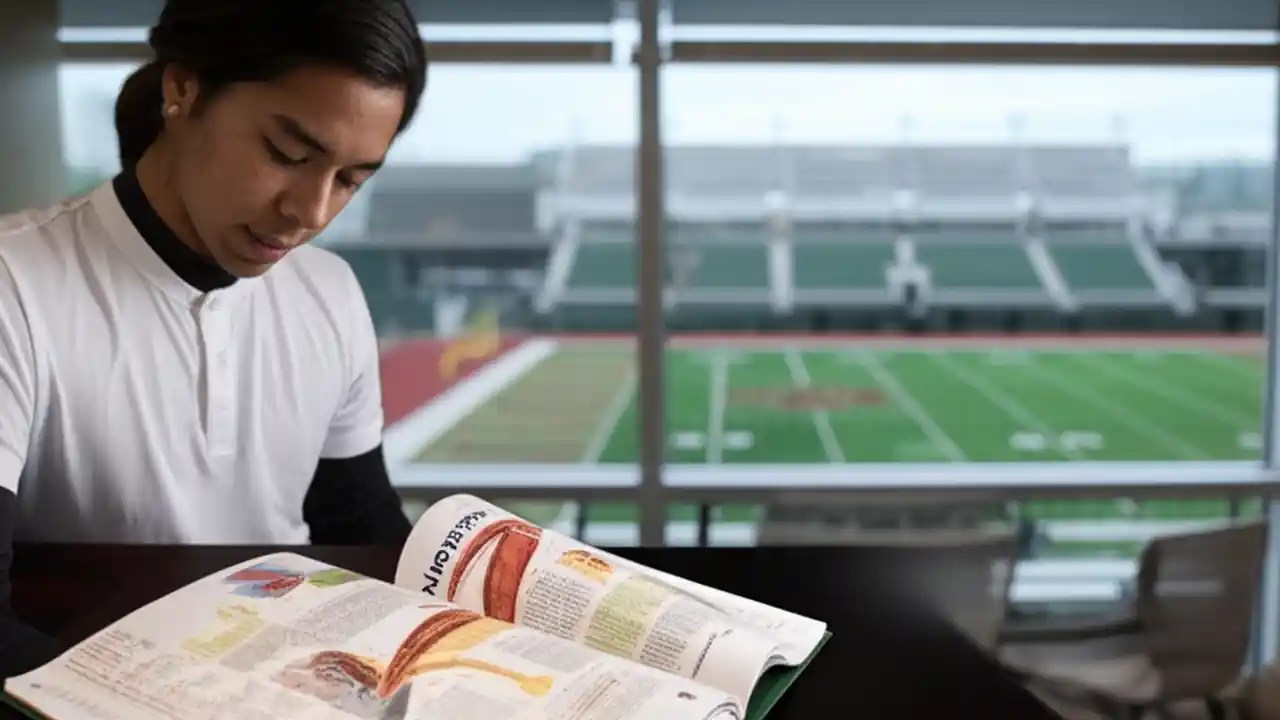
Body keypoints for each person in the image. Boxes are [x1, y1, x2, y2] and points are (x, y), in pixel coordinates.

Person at [0, 0, 428, 676]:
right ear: (182, 88)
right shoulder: (13, 284)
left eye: (349, 180)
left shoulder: (330, 290)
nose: (309, 213)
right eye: (287, 153)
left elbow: (360, 526)